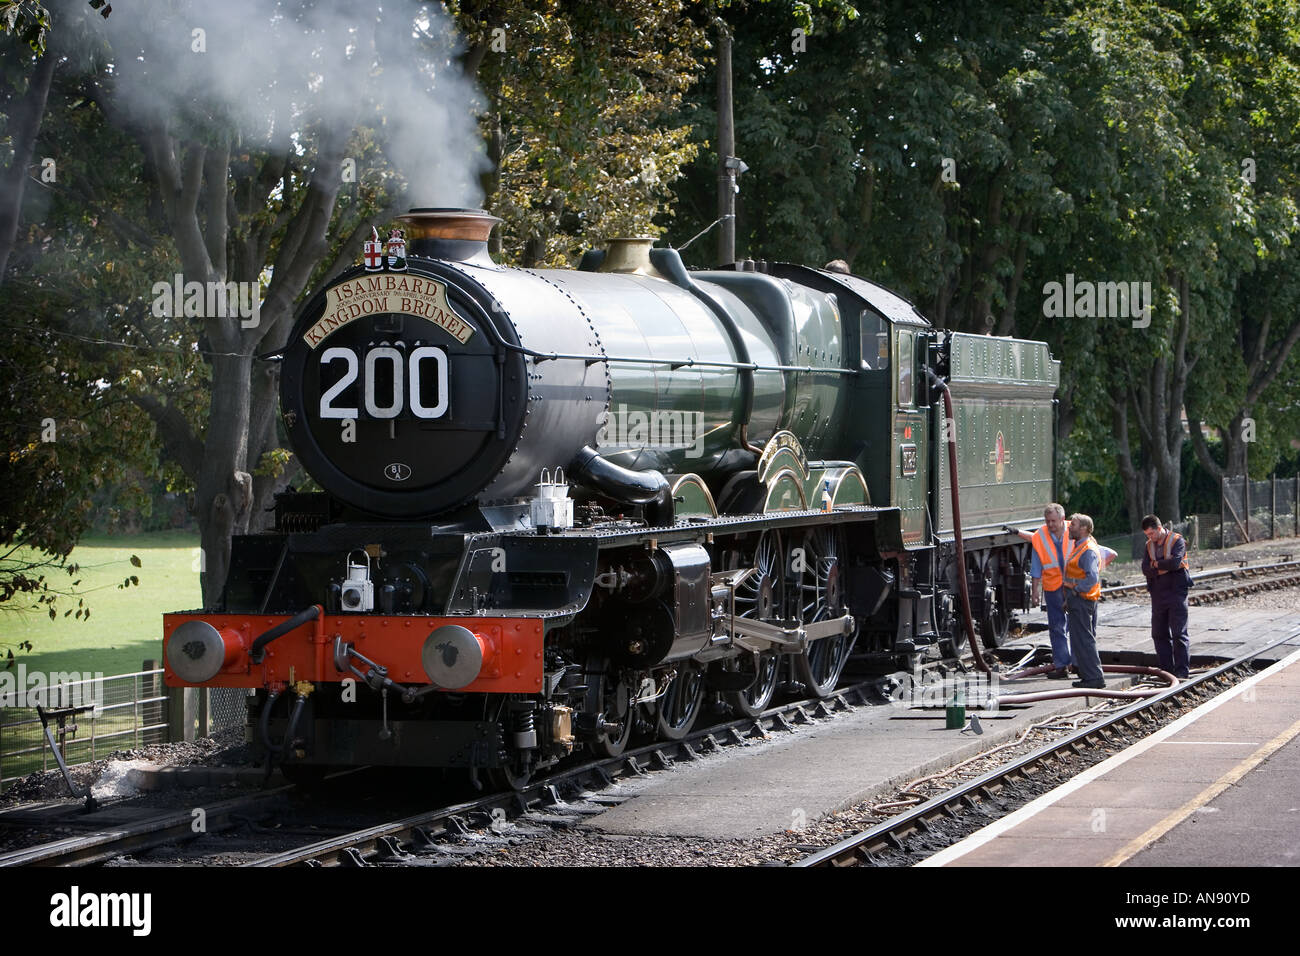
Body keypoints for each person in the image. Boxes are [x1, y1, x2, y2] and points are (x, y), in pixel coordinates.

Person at [1008, 504, 1073, 678]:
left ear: (1062, 519)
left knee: (1076, 625)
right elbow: (1036, 565)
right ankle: (1062, 665)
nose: (1050, 525)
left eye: (1053, 521)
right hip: (1053, 588)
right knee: (1057, 627)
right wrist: (1035, 591)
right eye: (1047, 521)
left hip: (1073, 586)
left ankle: (1078, 662)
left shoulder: (1074, 529)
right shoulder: (1041, 535)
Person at [1140, 514, 1191, 679]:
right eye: (1147, 535)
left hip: (1176, 590)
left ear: (1159, 528)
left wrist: (1156, 565)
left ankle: (1182, 671)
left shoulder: (1177, 541)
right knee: (1159, 633)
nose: (1150, 538)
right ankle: (1167, 670)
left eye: (1152, 534)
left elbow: (1176, 563)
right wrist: (1163, 566)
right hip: (1158, 592)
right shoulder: (1149, 545)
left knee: (1178, 633)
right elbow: (1145, 569)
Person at [1062, 513, 1106, 689]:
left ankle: (1095, 677)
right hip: (1077, 600)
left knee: (1085, 639)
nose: (1069, 527)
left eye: (1073, 524)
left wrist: (1075, 590)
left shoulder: (1087, 549)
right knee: (1080, 639)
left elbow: (1091, 579)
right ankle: (1088, 676)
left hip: (1082, 600)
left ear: (1084, 529)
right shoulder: (1080, 547)